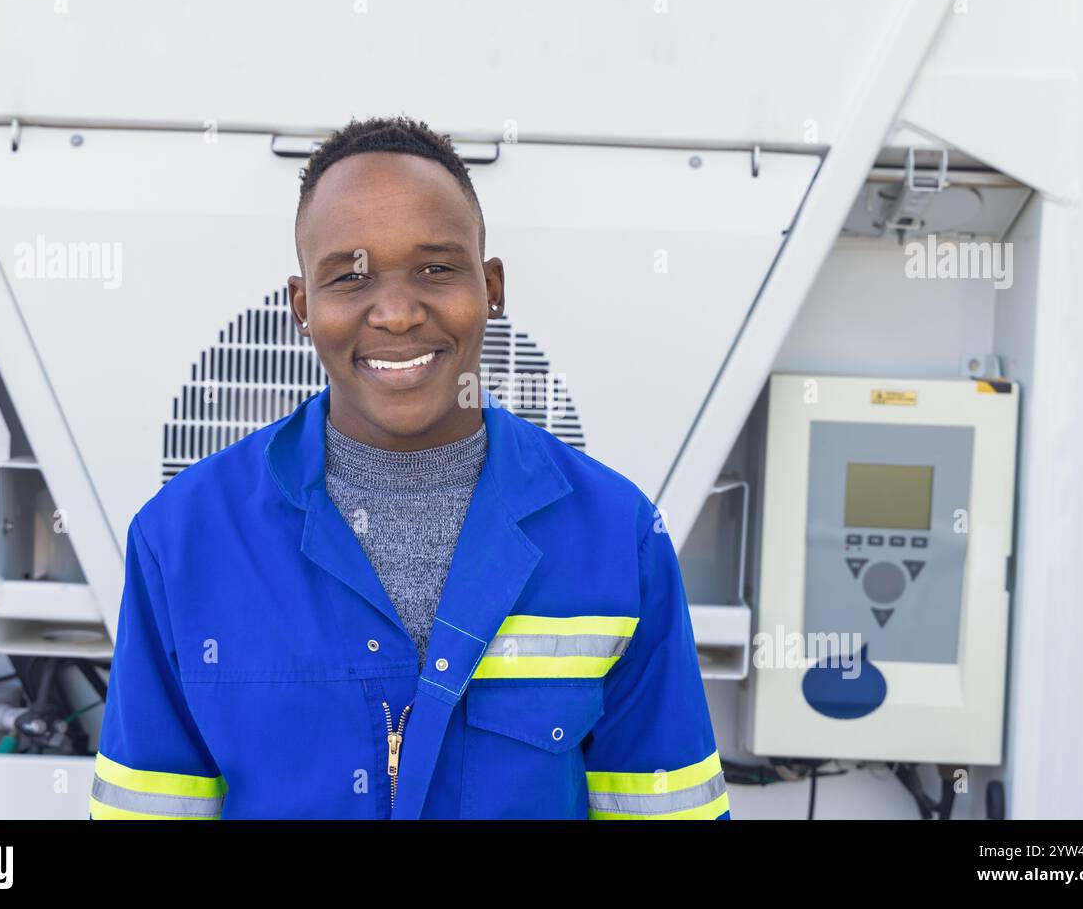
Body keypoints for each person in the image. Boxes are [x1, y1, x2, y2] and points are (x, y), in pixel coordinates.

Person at [89, 115, 730, 819]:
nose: (396, 313)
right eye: (349, 277)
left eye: (435, 269)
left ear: (491, 287)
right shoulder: (181, 541)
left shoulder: (618, 536)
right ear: (303, 307)